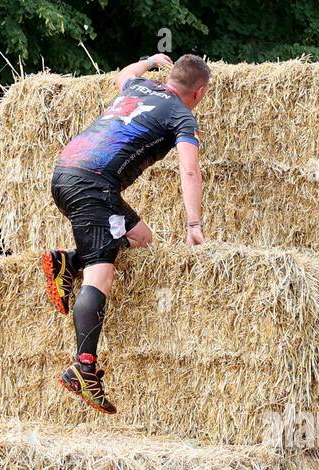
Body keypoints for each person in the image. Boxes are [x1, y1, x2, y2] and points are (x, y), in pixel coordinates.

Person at [41, 52, 210, 413]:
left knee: (141, 238)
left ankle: (68, 262)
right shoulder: (182, 115)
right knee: (100, 275)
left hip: (66, 171)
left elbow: (123, 71)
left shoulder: (139, 86)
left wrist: (149, 60)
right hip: (94, 185)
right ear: (198, 92)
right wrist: (193, 223)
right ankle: (83, 367)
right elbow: (189, 170)